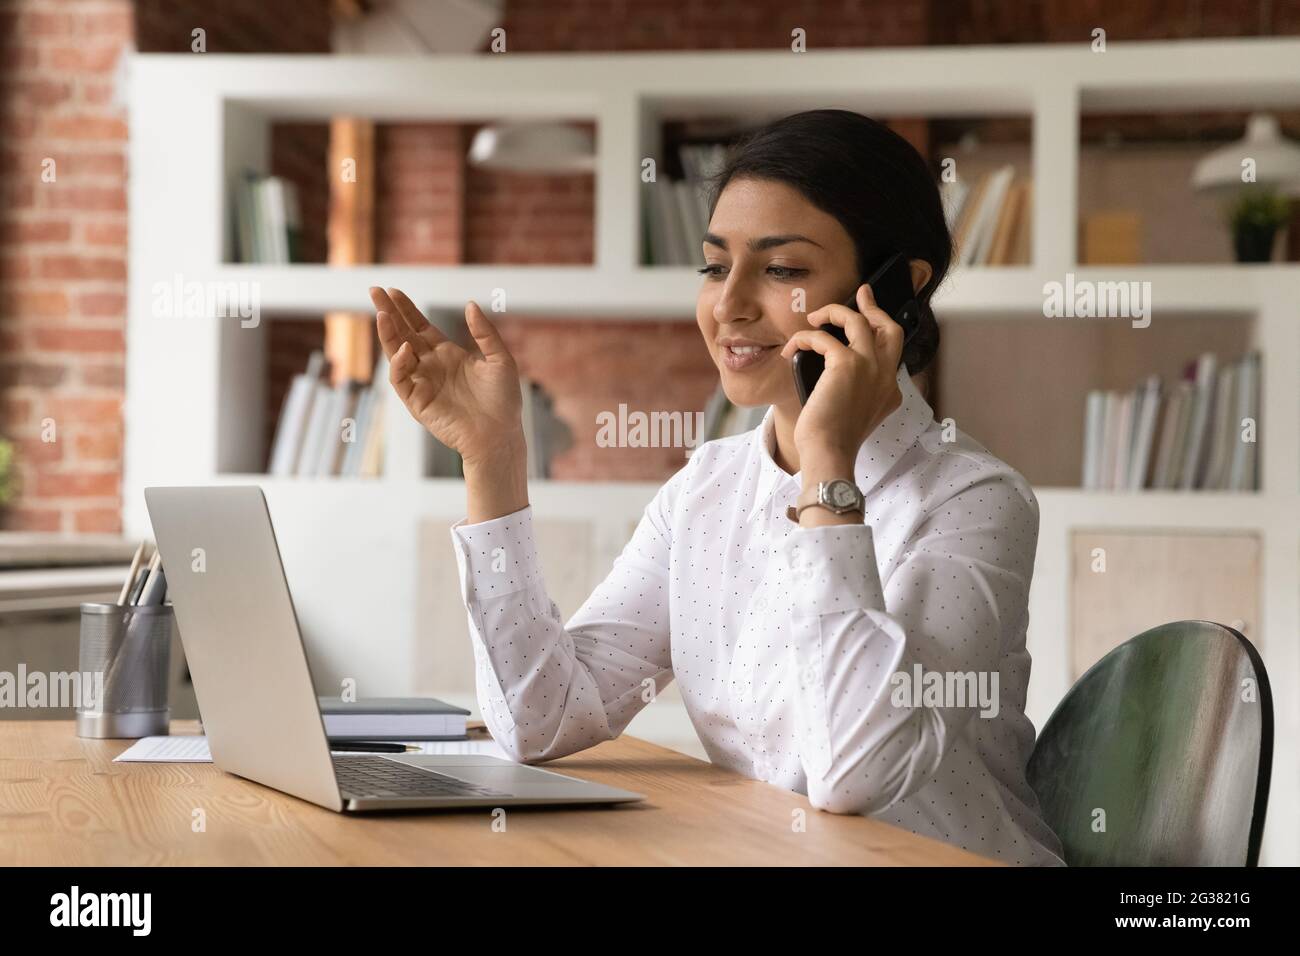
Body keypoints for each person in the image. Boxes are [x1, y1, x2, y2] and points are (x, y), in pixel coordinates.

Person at [367, 108, 1065, 866]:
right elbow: (541, 717)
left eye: (782, 269)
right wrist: (492, 459)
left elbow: (855, 774)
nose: (728, 302)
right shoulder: (708, 486)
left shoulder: (973, 501)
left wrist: (826, 462)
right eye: (713, 265)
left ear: (895, 289)